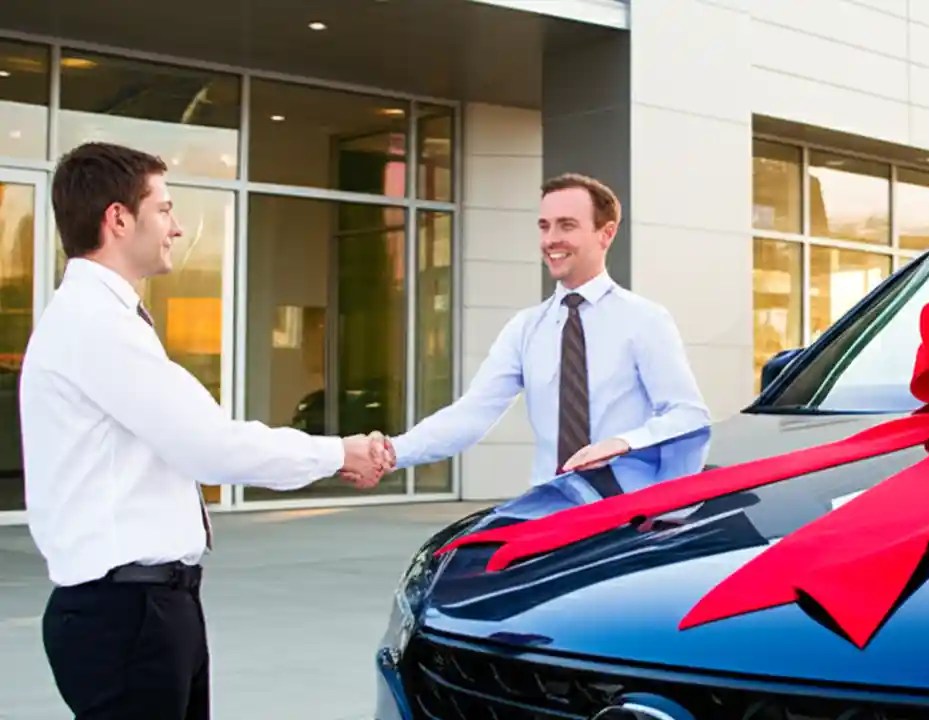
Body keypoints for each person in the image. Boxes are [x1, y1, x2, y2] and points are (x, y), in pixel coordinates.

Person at [20, 141, 394, 720]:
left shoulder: (104, 321)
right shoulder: (94, 326)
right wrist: (337, 452)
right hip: (125, 614)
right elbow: (211, 445)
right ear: (118, 219)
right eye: (164, 209)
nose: (177, 227)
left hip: (148, 606)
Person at [384, 173, 710, 497]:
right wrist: (390, 452)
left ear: (606, 234)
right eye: (544, 226)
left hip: (627, 513)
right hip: (550, 510)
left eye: (566, 225)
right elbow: (472, 413)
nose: (550, 239)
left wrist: (624, 443)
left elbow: (689, 416)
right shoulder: (525, 328)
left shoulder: (645, 320)